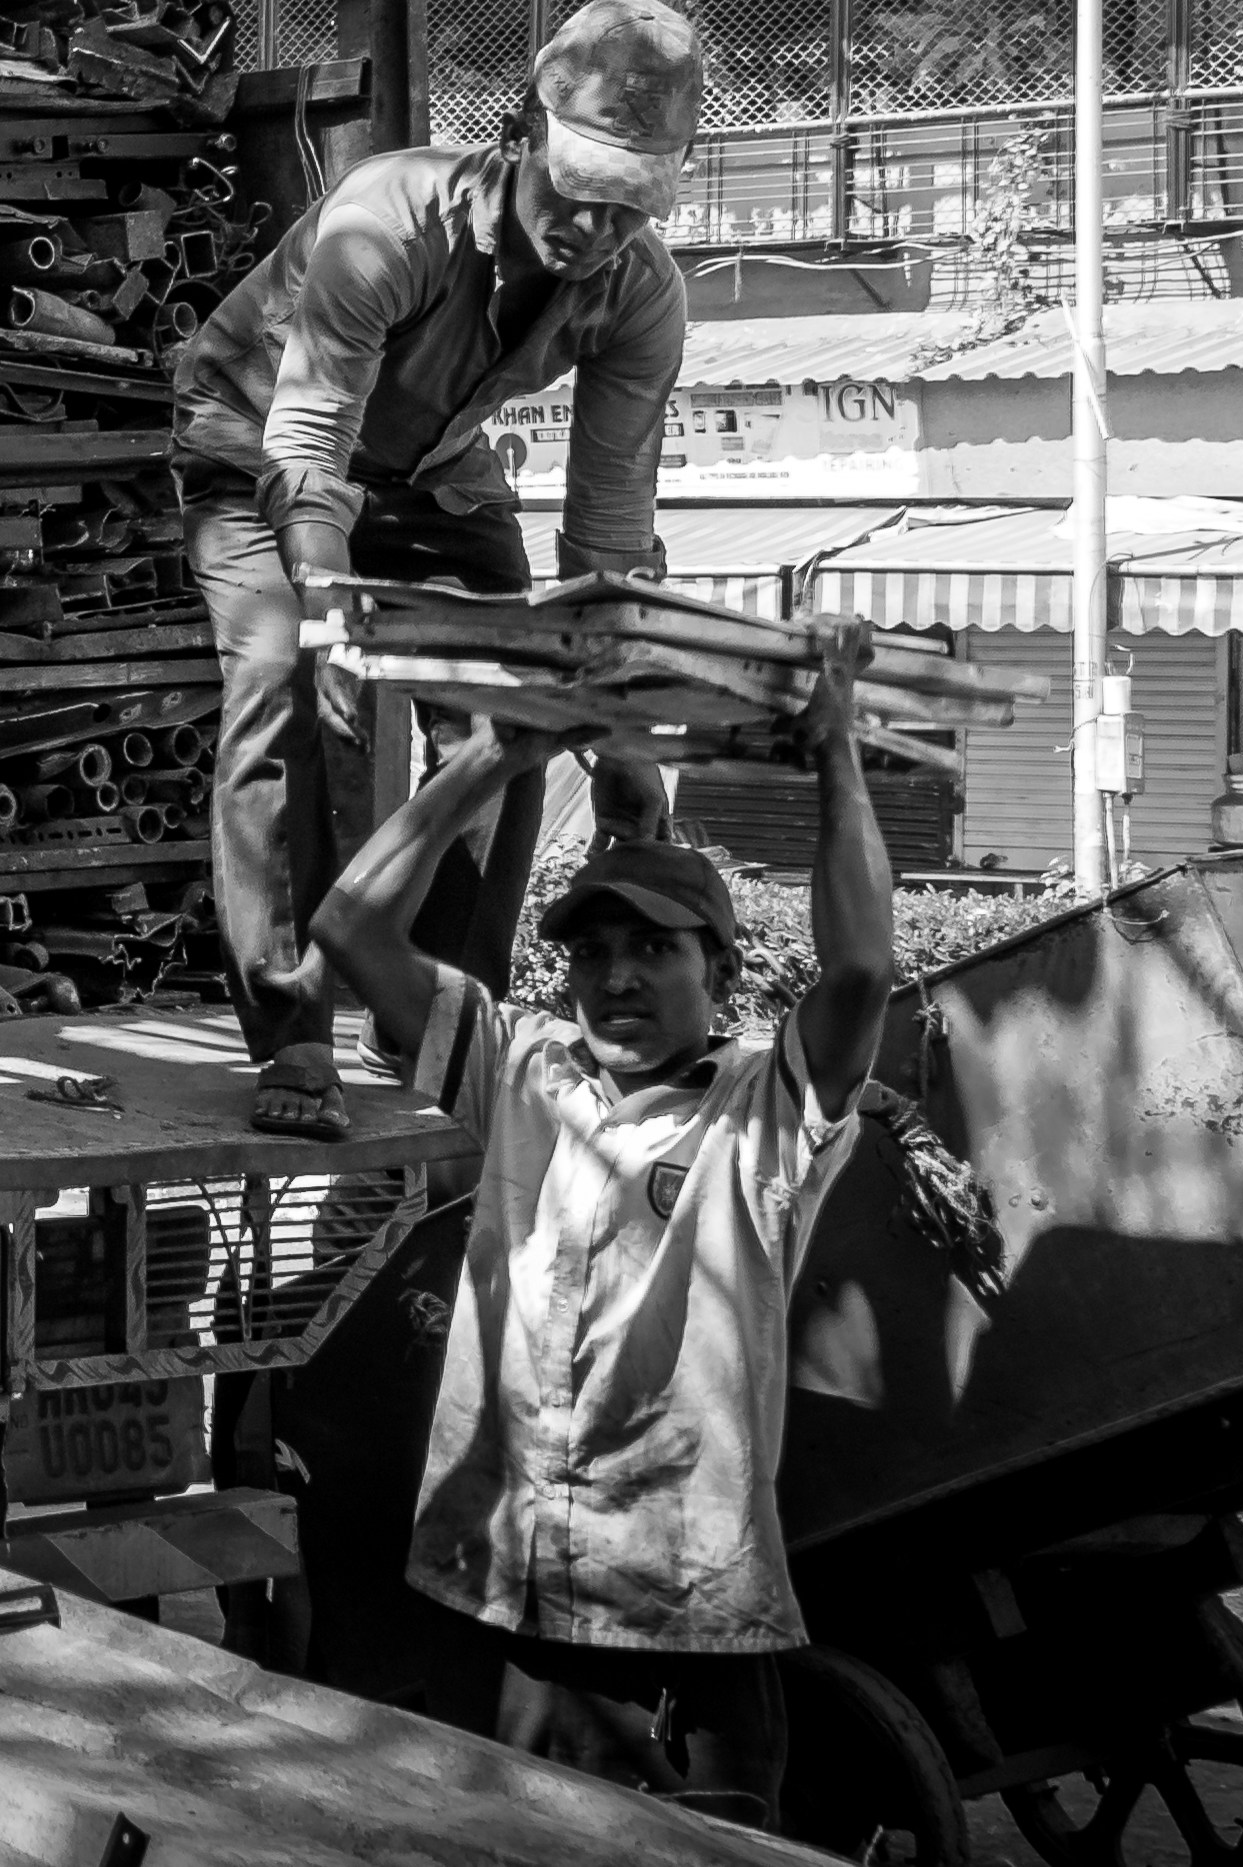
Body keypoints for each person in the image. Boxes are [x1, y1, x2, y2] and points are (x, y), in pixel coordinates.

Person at [292, 642, 894, 1824]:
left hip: (686, 1623)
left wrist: (833, 751)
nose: (615, 975)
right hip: (509, 1596)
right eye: (591, 950)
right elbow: (350, 928)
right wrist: (490, 754)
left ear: (719, 967)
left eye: (654, 948)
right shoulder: (518, 1067)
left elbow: (863, 965)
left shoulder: (764, 1111)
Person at [170, 0, 702, 1139]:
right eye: (578, 191)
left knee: (516, 699)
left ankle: (433, 1015)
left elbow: (608, 535)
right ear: (517, 134)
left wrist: (614, 734)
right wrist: (330, 621)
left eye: (629, 208)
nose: (596, 232)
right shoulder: (389, 218)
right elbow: (306, 448)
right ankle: (294, 1018)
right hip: (258, 442)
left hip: (434, 472)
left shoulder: (642, 294)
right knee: (284, 687)